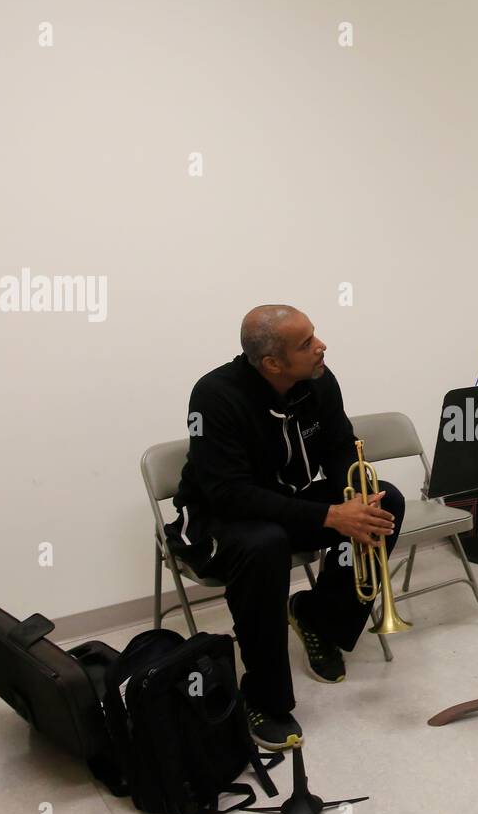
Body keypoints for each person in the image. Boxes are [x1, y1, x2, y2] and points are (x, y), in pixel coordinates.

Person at [166, 305, 405, 747]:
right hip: (215, 520)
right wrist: (330, 516)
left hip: (283, 505)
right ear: (272, 363)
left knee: (384, 501)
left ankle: (319, 618)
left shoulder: (318, 379)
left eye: (315, 336)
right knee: (265, 545)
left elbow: (338, 449)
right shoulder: (214, 396)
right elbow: (229, 493)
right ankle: (263, 697)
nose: (321, 346)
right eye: (307, 343)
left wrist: (355, 495)